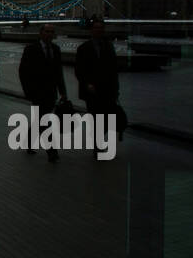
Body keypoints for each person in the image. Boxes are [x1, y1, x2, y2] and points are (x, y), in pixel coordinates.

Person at [18, 24, 67, 162]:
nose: (49, 34)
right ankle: (52, 151)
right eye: (47, 31)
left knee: (40, 120)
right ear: (41, 33)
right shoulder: (31, 49)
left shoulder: (56, 50)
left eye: (52, 32)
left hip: (51, 92)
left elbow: (59, 73)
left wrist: (63, 92)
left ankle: (29, 142)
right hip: (36, 92)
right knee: (45, 120)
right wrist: (28, 91)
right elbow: (23, 72)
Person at [74, 18, 119, 151]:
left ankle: (98, 141)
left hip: (107, 89)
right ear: (91, 30)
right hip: (91, 90)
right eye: (96, 28)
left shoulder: (109, 46)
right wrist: (87, 84)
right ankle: (97, 146)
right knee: (95, 118)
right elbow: (79, 70)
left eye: (101, 28)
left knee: (107, 119)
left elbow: (113, 68)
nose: (99, 31)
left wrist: (116, 88)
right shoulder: (83, 48)